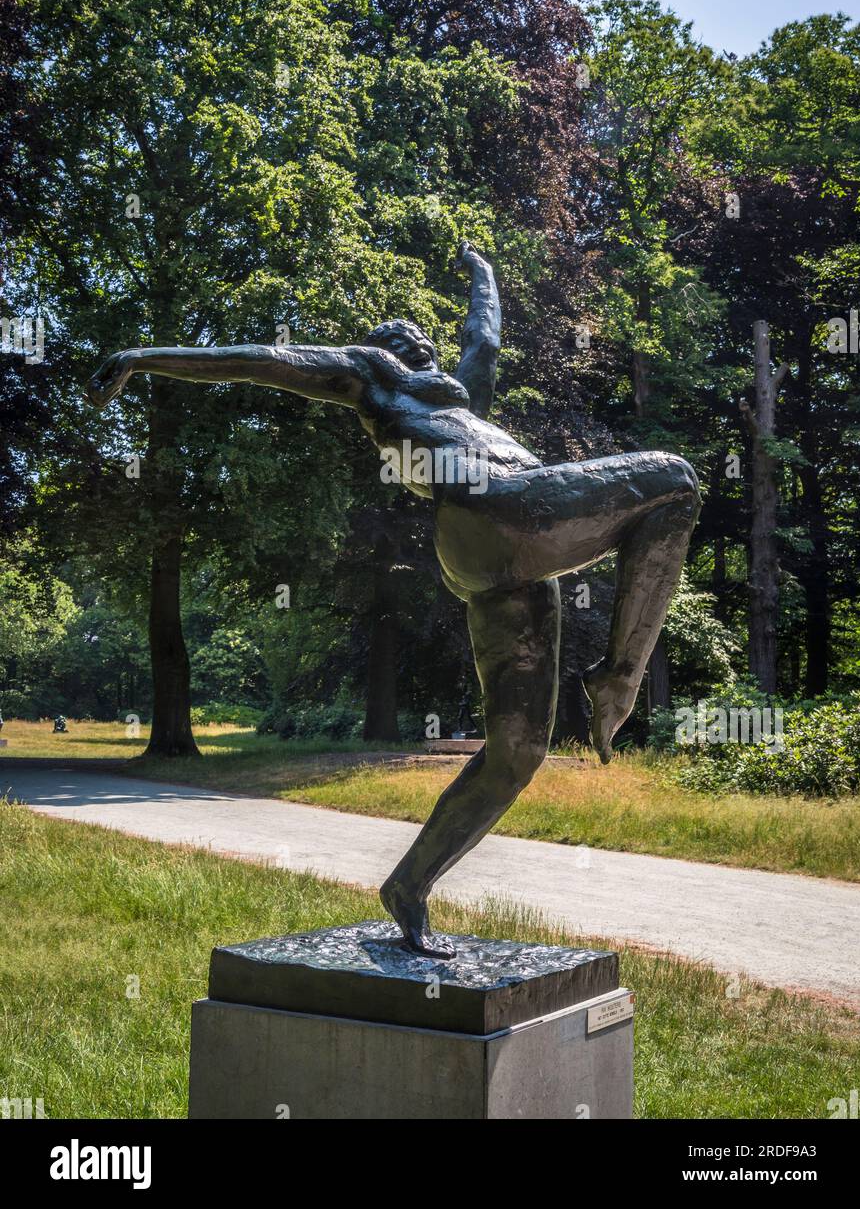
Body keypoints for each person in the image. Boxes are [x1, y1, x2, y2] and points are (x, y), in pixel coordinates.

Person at [87, 243, 700, 956]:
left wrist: (480, 270)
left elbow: (486, 336)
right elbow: (263, 360)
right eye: (396, 332)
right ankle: (619, 676)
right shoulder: (371, 375)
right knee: (674, 481)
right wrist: (143, 355)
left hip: (507, 560)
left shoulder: (459, 395)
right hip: (491, 510)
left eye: (419, 331)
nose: (413, 332)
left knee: (517, 752)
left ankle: (408, 887)